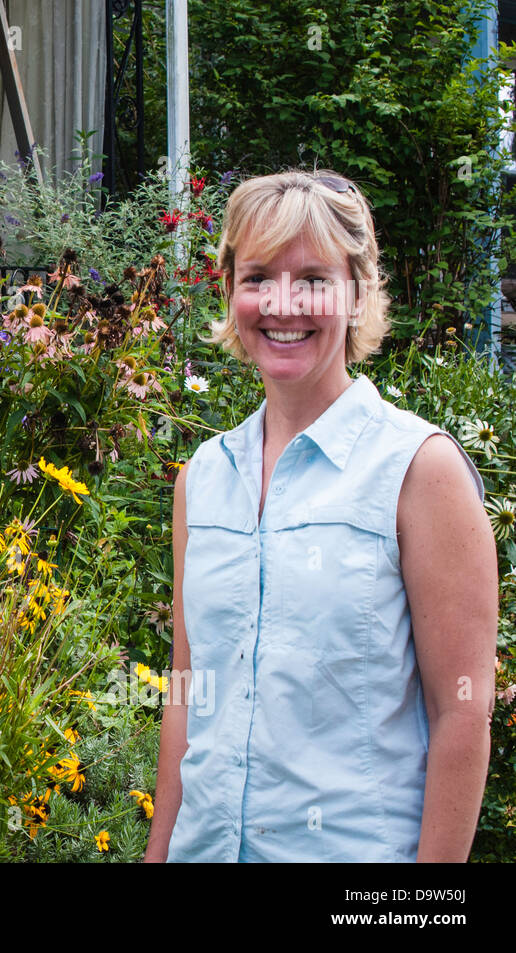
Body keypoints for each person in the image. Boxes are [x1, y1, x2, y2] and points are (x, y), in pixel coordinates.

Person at [143, 168, 497, 862]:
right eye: (258, 276)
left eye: (313, 278)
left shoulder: (418, 471)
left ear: (357, 292)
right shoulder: (205, 479)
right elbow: (188, 695)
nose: (283, 303)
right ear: (230, 292)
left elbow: (462, 712)